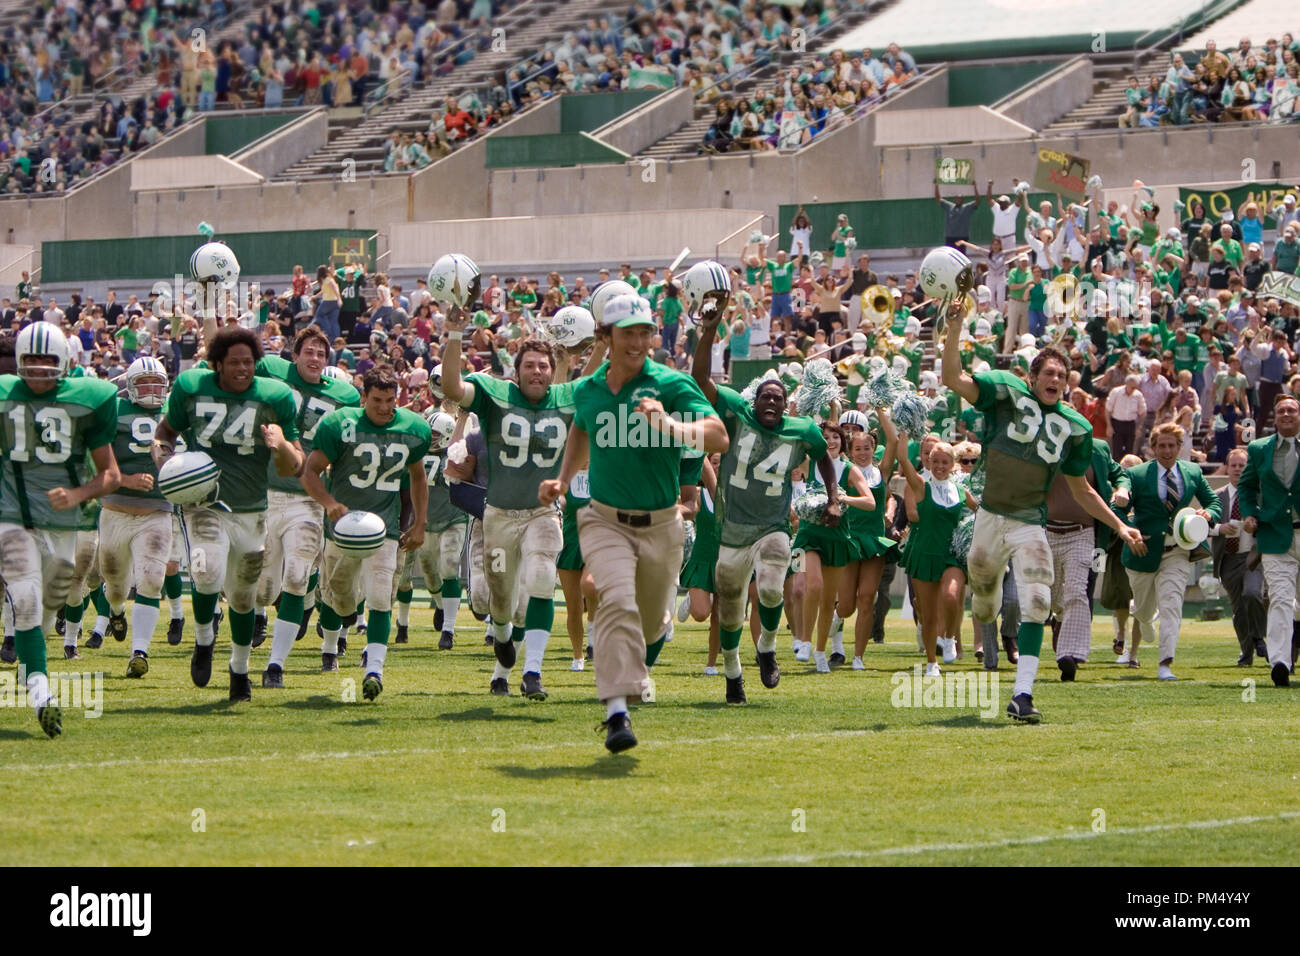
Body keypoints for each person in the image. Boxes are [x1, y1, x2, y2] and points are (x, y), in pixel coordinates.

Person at [539, 291, 728, 754]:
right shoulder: (590, 389)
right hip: (604, 519)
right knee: (613, 600)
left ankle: (654, 636)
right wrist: (563, 479)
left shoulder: (670, 385)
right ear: (606, 336)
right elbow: (582, 426)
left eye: (646, 332)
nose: (639, 341)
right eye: (629, 333)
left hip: (663, 522)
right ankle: (616, 712)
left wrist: (671, 426)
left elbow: (718, 436)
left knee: (646, 624)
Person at [941, 309, 1146, 721]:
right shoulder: (1008, 393)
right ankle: (985, 608)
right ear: (1032, 378)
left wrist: (1121, 526)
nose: (1055, 379)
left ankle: (1023, 694)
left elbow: (1082, 489)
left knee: (1037, 600)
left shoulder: (1075, 427)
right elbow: (953, 379)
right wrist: (955, 328)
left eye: (1061, 374)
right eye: (1047, 372)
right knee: (983, 601)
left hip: (1028, 521)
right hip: (989, 516)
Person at [693, 304, 841, 699]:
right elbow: (701, 378)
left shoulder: (802, 429)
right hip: (731, 531)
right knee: (729, 610)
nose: (772, 403)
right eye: (766, 397)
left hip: (773, 526)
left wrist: (833, 496)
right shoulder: (737, 413)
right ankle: (732, 673)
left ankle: (768, 649)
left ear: (786, 401)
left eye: (779, 398)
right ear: (754, 401)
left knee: (773, 589)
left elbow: (824, 455)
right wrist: (708, 331)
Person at [152, 327, 303, 702]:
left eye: (249, 362)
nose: (242, 369)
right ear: (217, 363)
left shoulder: (274, 397)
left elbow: (295, 466)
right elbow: (164, 434)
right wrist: (164, 461)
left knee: (243, 597)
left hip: (251, 509)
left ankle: (239, 669)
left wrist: (280, 444)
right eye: (234, 362)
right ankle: (203, 640)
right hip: (204, 502)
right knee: (206, 572)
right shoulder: (192, 388)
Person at [443, 299, 577, 701]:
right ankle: (502, 649)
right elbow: (452, 388)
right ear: (516, 373)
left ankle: (532, 671)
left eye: (544, 365)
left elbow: (603, 383)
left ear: (552, 373)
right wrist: (453, 334)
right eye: (530, 365)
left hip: (542, 513)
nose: (537, 371)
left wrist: (598, 345)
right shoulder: (496, 395)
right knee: (501, 602)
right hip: (499, 517)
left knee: (539, 580)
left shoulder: (567, 398)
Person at [0, 322, 121, 737]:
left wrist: (76, 494)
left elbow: (110, 475)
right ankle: (40, 693)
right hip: (11, 516)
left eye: (47, 360)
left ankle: (30, 657)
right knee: (27, 598)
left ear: (65, 363)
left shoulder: (90, 399)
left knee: (50, 599)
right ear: (18, 361)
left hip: (64, 521)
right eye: (30, 360)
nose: (37, 369)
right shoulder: (4, 396)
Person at [300, 364, 431, 702]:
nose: (385, 408)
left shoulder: (413, 428)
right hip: (342, 527)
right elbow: (310, 471)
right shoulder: (339, 425)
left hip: (383, 527)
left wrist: (419, 522)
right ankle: (332, 643)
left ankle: (375, 669)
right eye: (377, 401)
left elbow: (418, 477)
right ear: (364, 398)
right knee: (339, 597)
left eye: (390, 400)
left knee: (378, 596)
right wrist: (329, 503)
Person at [251, 327, 361, 686]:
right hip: (264, 491)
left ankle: (275, 666)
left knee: (297, 577)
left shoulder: (344, 396)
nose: (314, 358)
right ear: (293, 355)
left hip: (308, 499)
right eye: (308, 352)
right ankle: (254, 619)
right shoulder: (271, 370)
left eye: (321, 353)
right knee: (262, 588)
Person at [1120, 422, 1220, 681]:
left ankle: (1165, 664)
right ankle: (1143, 620)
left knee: (1172, 604)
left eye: (1171, 446)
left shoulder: (1193, 472)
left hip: (1178, 550)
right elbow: (1118, 510)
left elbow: (1213, 501)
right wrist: (1131, 533)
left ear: (1180, 447)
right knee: (1142, 609)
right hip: (1142, 551)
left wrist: (1209, 514)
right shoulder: (1137, 475)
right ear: (1153, 448)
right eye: (1161, 446)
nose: (1166, 450)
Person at [98, 357, 175, 678]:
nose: (152, 389)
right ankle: (116, 611)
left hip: (157, 511)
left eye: (157, 383)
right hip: (115, 511)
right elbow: (95, 458)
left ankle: (139, 651)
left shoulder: (174, 410)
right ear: (130, 385)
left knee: (152, 579)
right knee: (116, 586)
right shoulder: (113, 410)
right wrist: (125, 480)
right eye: (144, 382)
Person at [893, 423, 976, 676]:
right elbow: (903, 459)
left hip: (951, 553)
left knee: (952, 597)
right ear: (928, 462)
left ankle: (950, 637)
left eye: (945, 462)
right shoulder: (920, 485)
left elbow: (981, 512)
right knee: (927, 614)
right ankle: (932, 662)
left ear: (953, 465)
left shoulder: (961, 490)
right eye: (935, 461)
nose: (939, 466)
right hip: (924, 553)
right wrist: (904, 433)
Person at [1046, 435, 1131, 679]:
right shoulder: (1041, 443)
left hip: (1089, 535)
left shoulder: (1099, 448)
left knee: (1080, 589)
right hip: (1046, 531)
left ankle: (1071, 654)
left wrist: (1122, 488)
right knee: (1053, 598)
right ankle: (1059, 619)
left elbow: (1120, 474)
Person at [1238, 392, 1300, 687]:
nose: (1286, 414)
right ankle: (1280, 662)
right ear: (1274, 417)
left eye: (1292, 410)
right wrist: (1250, 514)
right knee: (1279, 598)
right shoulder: (1259, 448)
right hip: (1275, 536)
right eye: (1281, 411)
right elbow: (1247, 487)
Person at [1210, 447, 1266, 667]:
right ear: (1227, 468)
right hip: (1228, 559)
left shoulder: (1258, 494)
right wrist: (1219, 529)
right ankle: (1247, 652)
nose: (1237, 469)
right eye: (1233, 465)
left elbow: (1269, 521)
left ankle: (1259, 638)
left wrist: (1256, 525)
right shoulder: (1217, 497)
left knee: (1253, 594)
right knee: (1238, 609)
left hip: (1253, 557)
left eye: (1241, 465)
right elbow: (1204, 526)